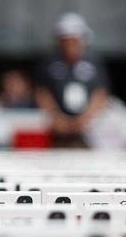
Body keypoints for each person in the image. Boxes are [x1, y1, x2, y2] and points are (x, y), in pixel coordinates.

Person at [34, 12, 110, 148]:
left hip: (88, 129)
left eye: (74, 41)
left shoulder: (93, 63)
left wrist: (85, 119)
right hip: (58, 128)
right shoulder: (50, 64)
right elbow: (42, 92)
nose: (70, 46)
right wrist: (57, 118)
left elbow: (101, 94)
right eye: (65, 41)